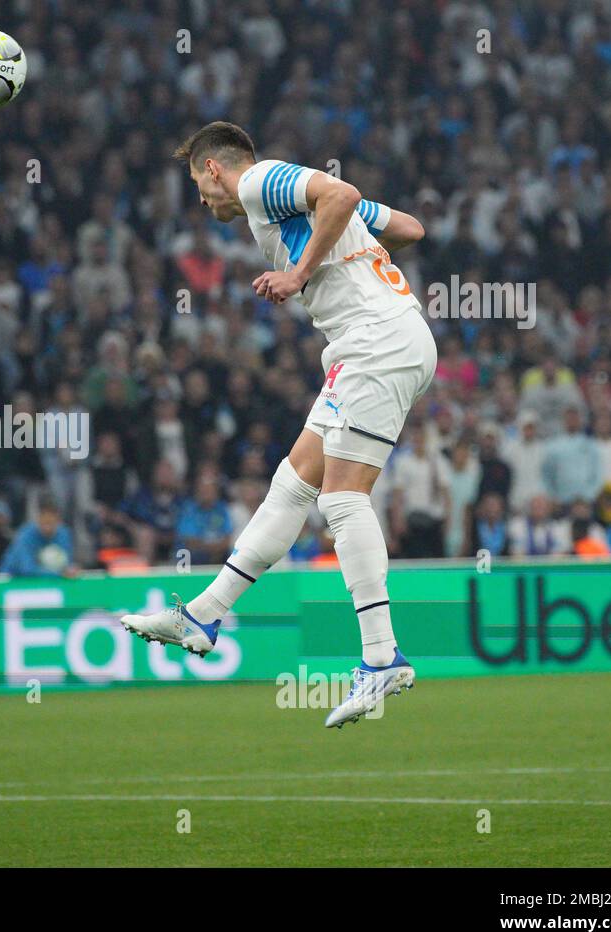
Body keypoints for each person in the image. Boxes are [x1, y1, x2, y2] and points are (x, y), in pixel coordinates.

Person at [121, 121, 433, 730]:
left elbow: (338, 196)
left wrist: (298, 273)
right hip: (373, 345)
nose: (202, 201)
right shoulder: (291, 203)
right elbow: (411, 229)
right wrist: (350, 242)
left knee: (343, 501)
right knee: (293, 485)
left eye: (198, 185)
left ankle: (381, 658)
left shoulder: (263, 180)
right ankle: (205, 615)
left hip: (377, 342)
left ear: (215, 169)